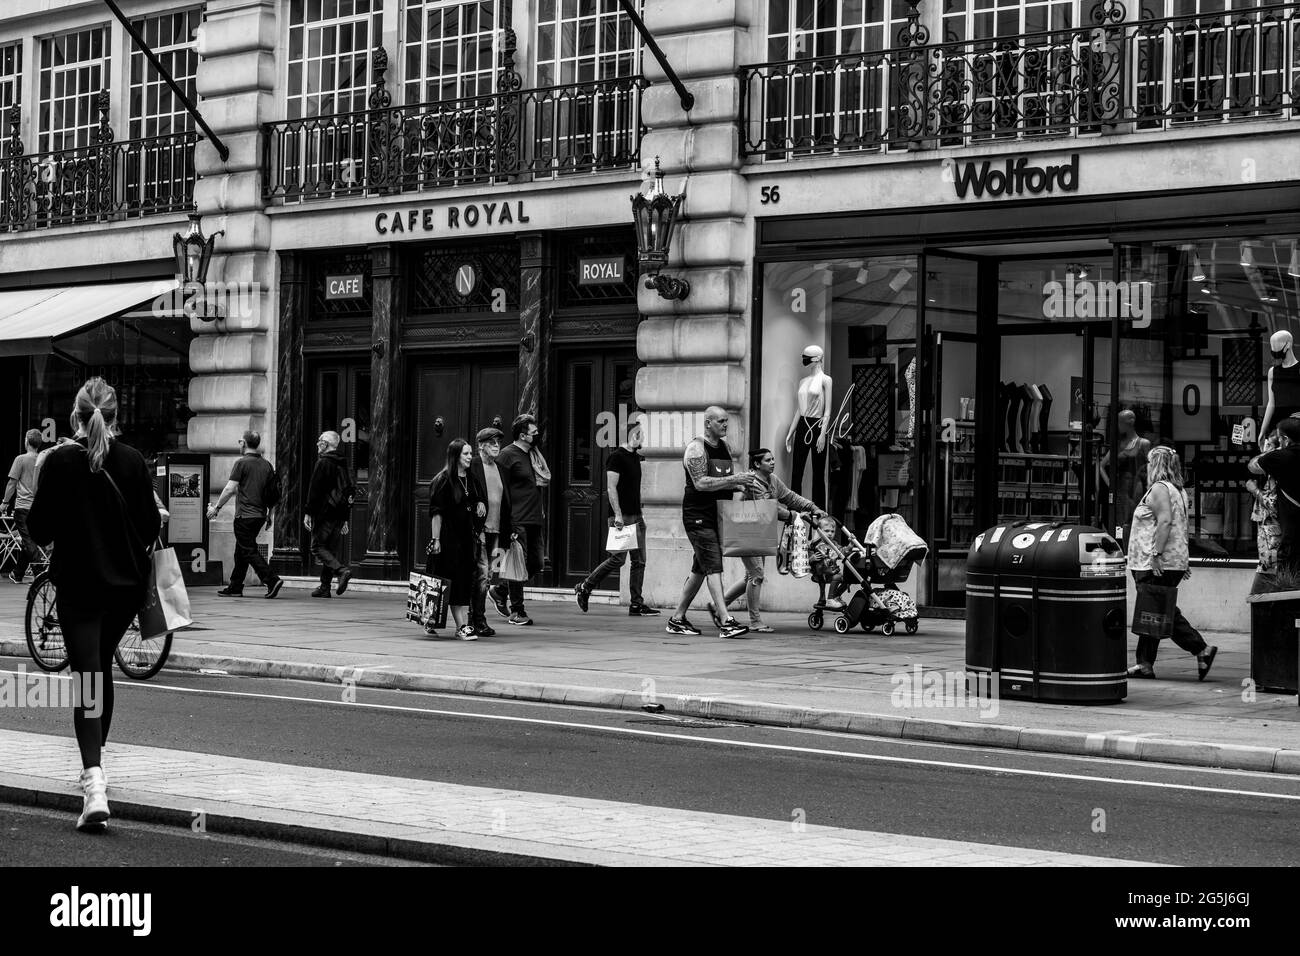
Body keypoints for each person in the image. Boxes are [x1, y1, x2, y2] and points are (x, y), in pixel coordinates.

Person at [27, 378, 161, 832]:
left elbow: (41, 529)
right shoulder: (134, 460)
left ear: (77, 417)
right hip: (124, 587)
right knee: (100, 668)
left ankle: (94, 783)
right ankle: (96, 769)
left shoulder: (60, 460)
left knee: (86, 677)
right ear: (116, 416)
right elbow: (148, 526)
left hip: (80, 584)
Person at [666, 406, 764, 639]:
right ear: (708, 423)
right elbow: (700, 483)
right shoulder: (696, 449)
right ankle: (725, 620)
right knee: (713, 566)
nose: (725, 425)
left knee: (700, 569)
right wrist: (735, 479)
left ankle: (677, 619)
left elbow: (723, 481)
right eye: (720, 421)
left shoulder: (726, 447)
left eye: (726, 422)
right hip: (697, 516)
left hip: (718, 515)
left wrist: (742, 485)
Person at [1126, 445, 1217, 681]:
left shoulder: (1158, 489)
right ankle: (1145, 664)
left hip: (1154, 561)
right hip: (1171, 560)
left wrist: (1156, 555)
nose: (1146, 467)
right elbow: (1181, 527)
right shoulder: (1179, 490)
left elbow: (1165, 522)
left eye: (1149, 462)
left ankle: (1201, 649)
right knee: (1153, 612)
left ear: (1156, 464)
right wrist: (1181, 560)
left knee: (1159, 611)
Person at [707, 447, 820, 632]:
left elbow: (789, 497)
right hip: (746, 533)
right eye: (768, 460)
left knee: (750, 576)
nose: (773, 462)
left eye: (773, 459)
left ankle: (717, 606)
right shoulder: (752, 482)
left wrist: (812, 507)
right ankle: (755, 621)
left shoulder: (773, 480)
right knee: (757, 574)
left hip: (760, 533)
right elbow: (769, 508)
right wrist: (793, 515)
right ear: (757, 464)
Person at [574, 418, 658, 617]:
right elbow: (611, 488)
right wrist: (618, 515)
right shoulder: (616, 457)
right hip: (621, 517)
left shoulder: (635, 457)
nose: (643, 438)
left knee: (640, 561)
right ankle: (585, 586)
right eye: (642, 435)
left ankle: (636, 604)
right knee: (618, 559)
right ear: (633, 435)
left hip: (637, 516)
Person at [207, 430, 283, 599]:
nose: (239, 444)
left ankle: (271, 579)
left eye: (240, 441)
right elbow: (272, 493)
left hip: (244, 516)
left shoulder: (241, 463)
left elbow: (229, 489)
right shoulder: (266, 465)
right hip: (259, 516)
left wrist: (216, 508)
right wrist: (270, 515)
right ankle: (235, 586)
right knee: (241, 551)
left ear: (244, 443)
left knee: (248, 550)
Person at [490, 414, 544, 626]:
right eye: (534, 433)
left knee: (536, 563)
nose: (537, 436)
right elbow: (499, 488)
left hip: (534, 517)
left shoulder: (532, 454)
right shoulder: (507, 455)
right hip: (517, 518)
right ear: (523, 435)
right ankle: (517, 611)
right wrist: (506, 521)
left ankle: (500, 590)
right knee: (516, 563)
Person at [427, 438, 484, 640]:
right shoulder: (443, 480)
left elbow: (476, 498)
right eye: (466, 454)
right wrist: (436, 540)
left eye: (470, 453)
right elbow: (436, 513)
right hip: (448, 538)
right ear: (455, 457)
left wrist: (479, 504)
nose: (470, 457)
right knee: (449, 579)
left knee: (463, 580)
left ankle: (433, 619)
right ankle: (461, 626)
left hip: (467, 538)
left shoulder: (471, 478)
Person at [469, 426, 511, 637]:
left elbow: (506, 501)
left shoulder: (501, 468)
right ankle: (477, 619)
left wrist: (509, 530)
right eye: (492, 443)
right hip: (480, 530)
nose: (497, 447)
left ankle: (475, 617)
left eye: (498, 443)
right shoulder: (473, 466)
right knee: (482, 575)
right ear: (481, 446)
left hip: (497, 531)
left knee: (489, 574)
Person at [304, 430, 354, 598]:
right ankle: (325, 587)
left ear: (325, 444)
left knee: (317, 547)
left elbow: (315, 490)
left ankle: (341, 571)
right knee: (329, 550)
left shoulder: (324, 462)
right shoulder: (343, 462)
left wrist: (308, 513)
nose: (318, 443)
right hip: (339, 513)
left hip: (325, 513)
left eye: (320, 441)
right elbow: (348, 491)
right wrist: (345, 518)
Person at [1249, 417, 1300, 571]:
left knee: (1268, 570)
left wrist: (1254, 490)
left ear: (1283, 441)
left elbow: (1271, 502)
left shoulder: (1277, 466)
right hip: (1275, 531)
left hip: (1273, 531)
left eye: (1270, 444)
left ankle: (1262, 590)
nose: (1265, 447)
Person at [1101, 410, 1150, 544]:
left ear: (1130, 423)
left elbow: (1150, 468)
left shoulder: (1143, 443)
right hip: (1121, 490)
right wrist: (1111, 485)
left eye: (1120, 422)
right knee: (1121, 523)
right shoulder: (1118, 445)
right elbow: (1101, 466)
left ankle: (1135, 552)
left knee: (1136, 521)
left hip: (1137, 488)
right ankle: (1124, 552)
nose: (1117, 425)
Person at [3, 428, 43, 584]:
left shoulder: (20, 459)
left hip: (23, 507)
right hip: (38, 508)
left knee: (28, 540)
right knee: (29, 540)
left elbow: (12, 482)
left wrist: (5, 502)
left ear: (27, 441)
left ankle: (40, 573)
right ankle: (18, 573)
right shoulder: (42, 459)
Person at [1259, 330, 1300, 443]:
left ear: (1288, 344)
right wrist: (1262, 431)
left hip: (1296, 428)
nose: (1274, 349)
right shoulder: (1273, 372)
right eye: (1272, 346)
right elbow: (1271, 403)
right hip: (1277, 428)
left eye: (1277, 344)